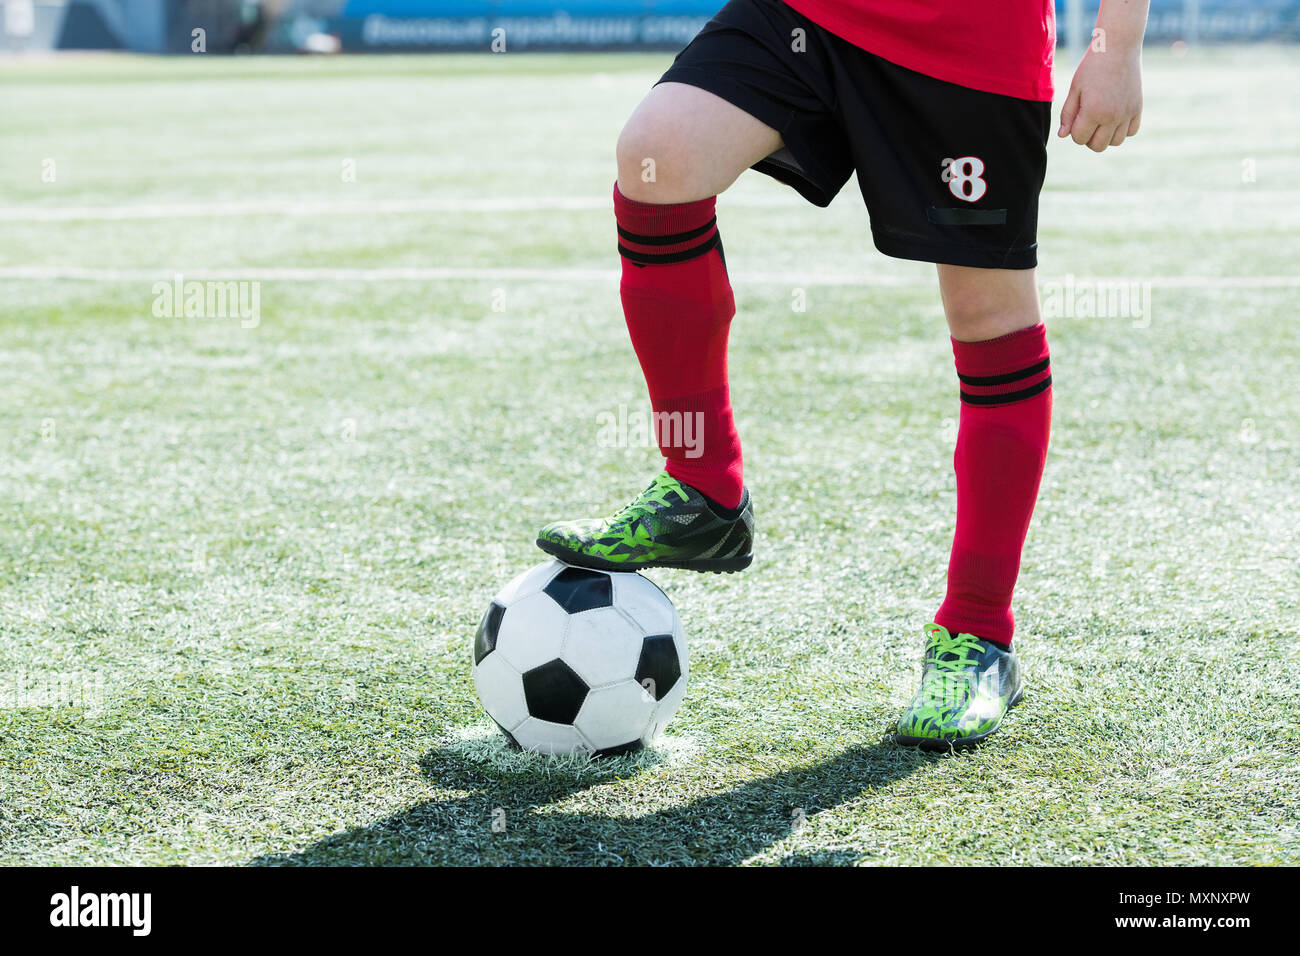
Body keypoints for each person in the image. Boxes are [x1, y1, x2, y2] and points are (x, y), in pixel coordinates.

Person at [537, 0, 1148, 748]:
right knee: (657, 153)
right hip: (811, 13)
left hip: (972, 43)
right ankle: (703, 488)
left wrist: (1117, 46)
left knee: (989, 318)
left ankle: (979, 634)